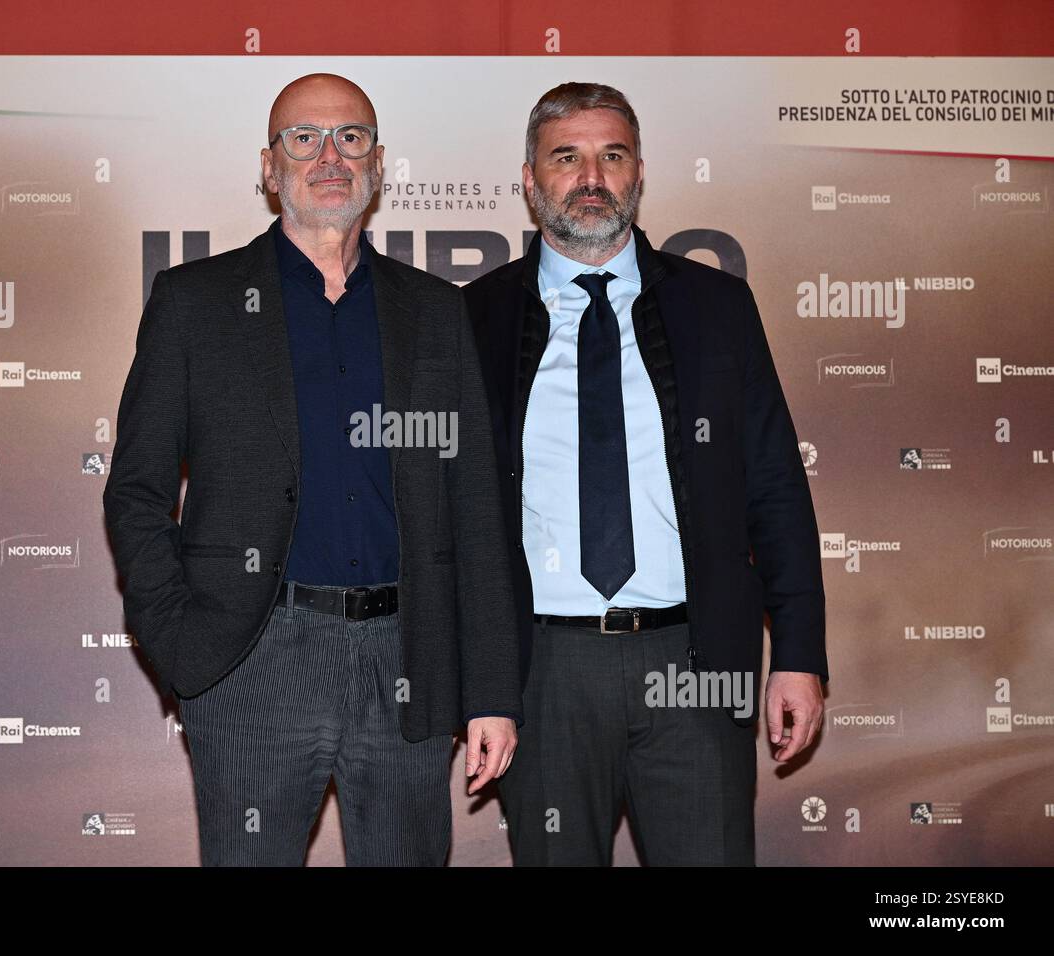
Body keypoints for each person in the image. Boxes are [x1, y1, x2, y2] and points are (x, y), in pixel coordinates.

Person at [102, 73, 521, 866]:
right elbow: (137, 490)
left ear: (379, 162)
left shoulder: (435, 311)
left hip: (410, 661)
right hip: (252, 656)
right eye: (304, 138)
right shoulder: (195, 301)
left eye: (351, 137)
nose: (330, 155)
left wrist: (493, 690)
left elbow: (475, 505)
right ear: (269, 167)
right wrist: (181, 641)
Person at [462, 82, 828, 866]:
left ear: (638, 175)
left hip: (695, 660)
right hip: (542, 674)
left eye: (612, 155)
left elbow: (774, 488)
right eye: (567, 156)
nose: (591, 175)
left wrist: (798, 652)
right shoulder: (474, 318)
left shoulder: (718, 307)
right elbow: (451, 515)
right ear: (530, 180)